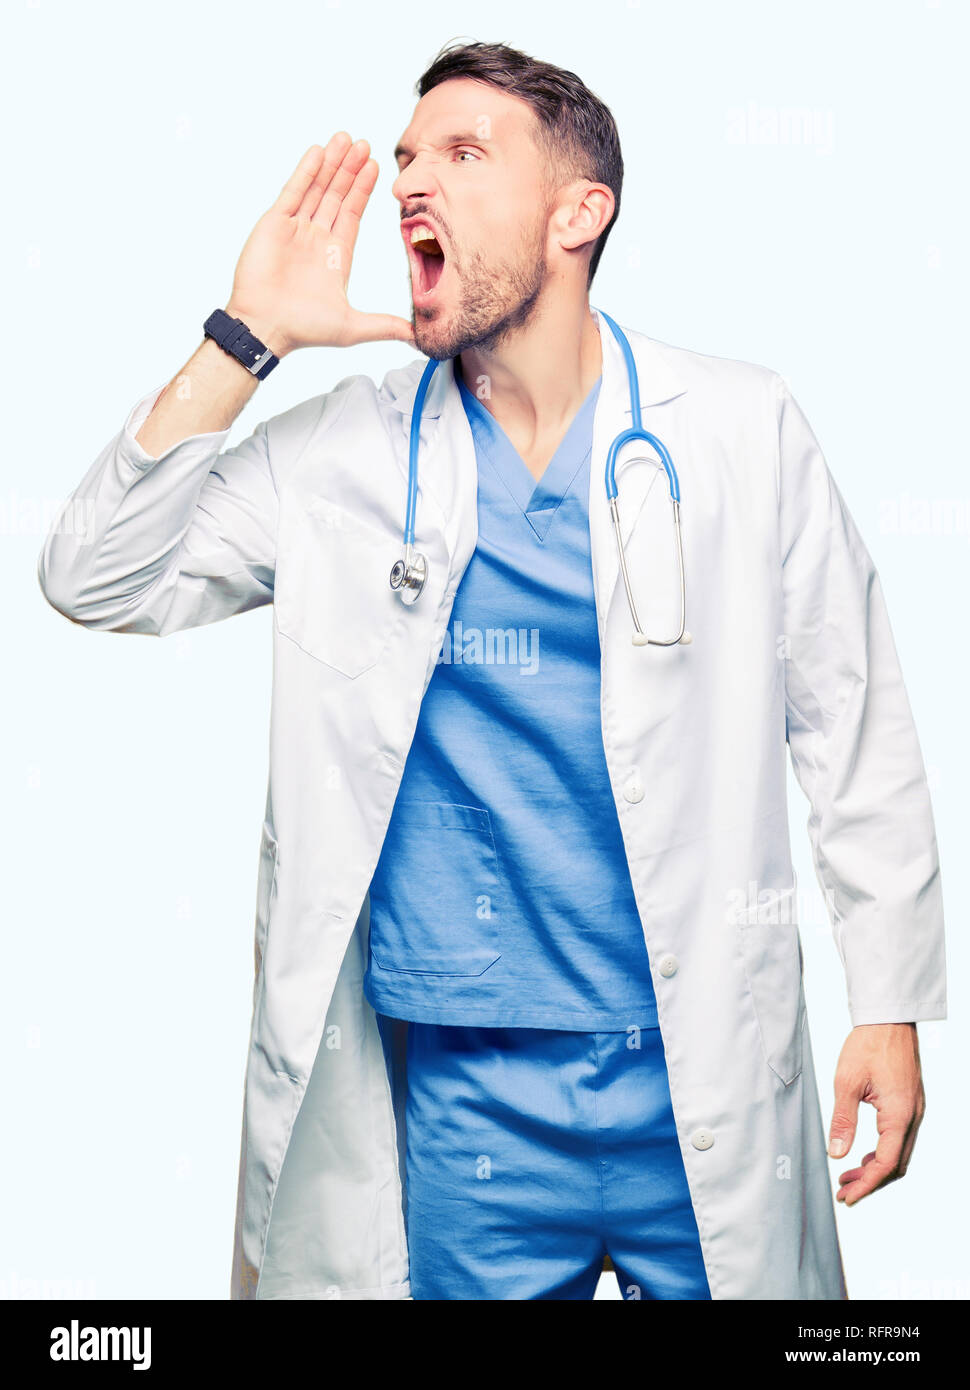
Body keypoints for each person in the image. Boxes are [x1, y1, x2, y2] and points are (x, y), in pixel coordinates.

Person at [37, 39, 946, 1301]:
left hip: (701, 1076)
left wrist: (888, 1000)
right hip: (464, 1106)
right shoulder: (338, 457)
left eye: (463, 154)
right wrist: (245, 339)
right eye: (408, 156)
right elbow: (93, 575)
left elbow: (854, 720)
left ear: (580, 212)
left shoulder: (737, 426)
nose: (413, 182)